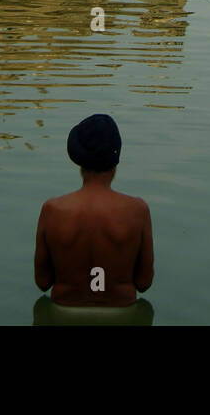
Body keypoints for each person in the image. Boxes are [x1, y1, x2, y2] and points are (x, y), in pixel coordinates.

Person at [35, 114, 153, 308]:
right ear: (115, 162)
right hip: (122, 313)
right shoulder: (138, 211)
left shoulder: (52, 210)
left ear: (78, 161)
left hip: (64, 311)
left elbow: (42, 282)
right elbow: (144, 283)